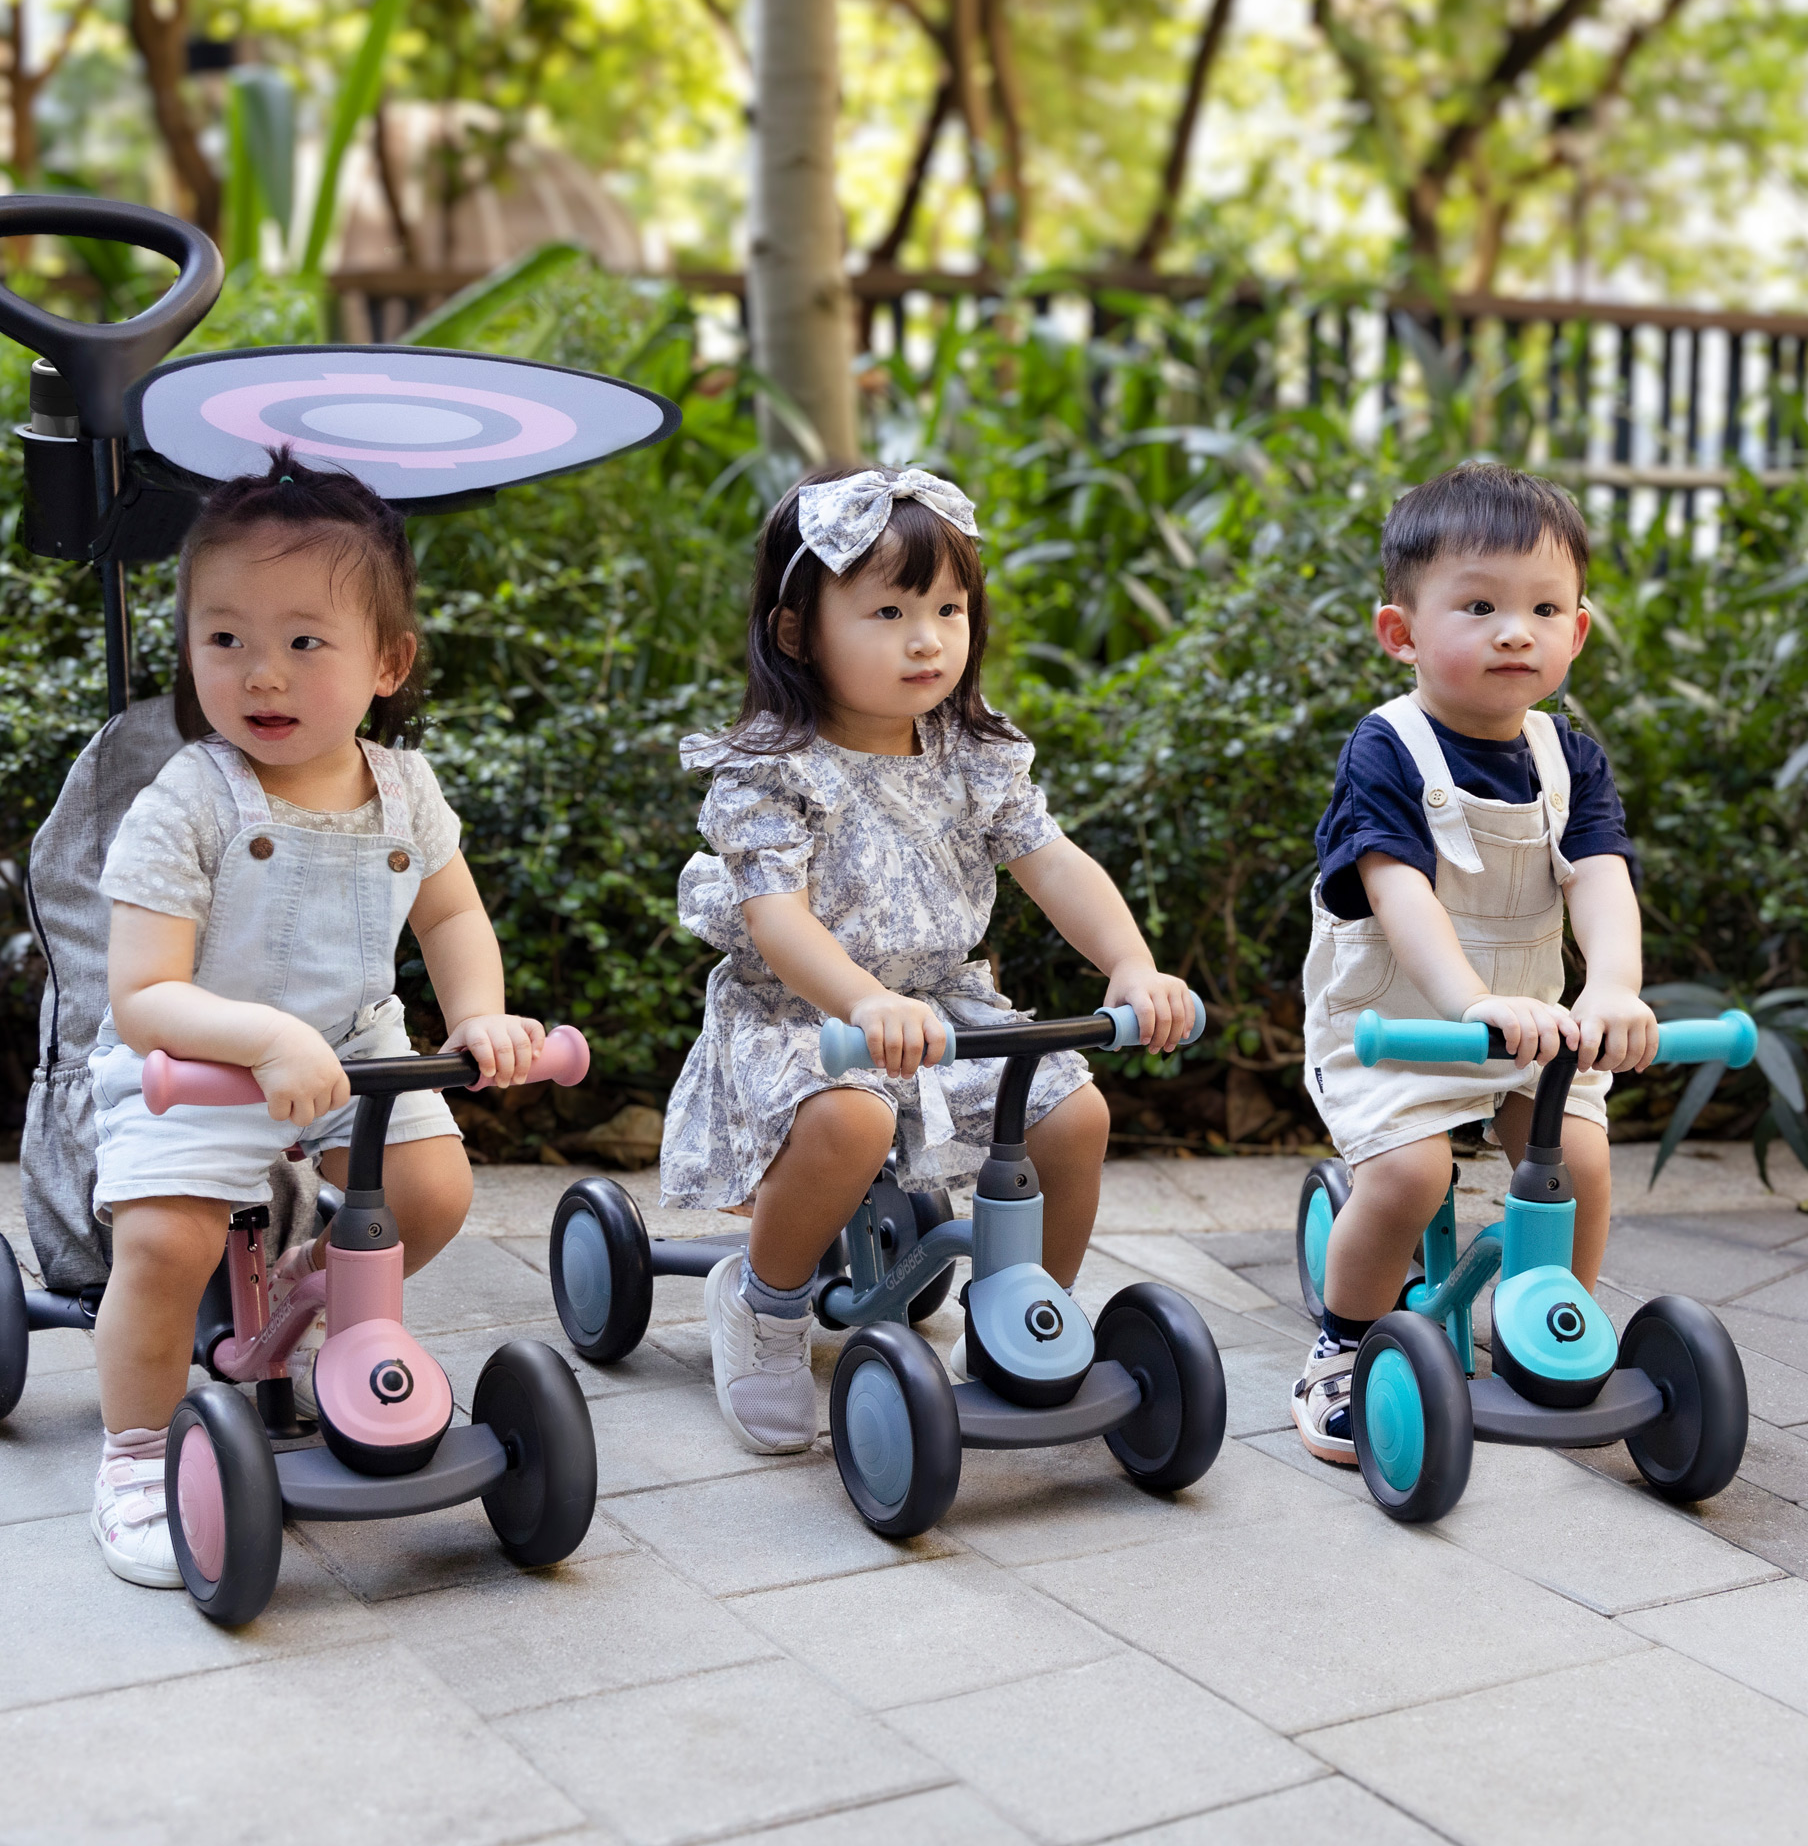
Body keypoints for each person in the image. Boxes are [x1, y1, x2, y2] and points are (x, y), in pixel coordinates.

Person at [660, 463, 1198, 1454]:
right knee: (850, 1118)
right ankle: (766, 1305)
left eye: (949, 609)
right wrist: (862, 1003)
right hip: (803, 1013)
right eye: (890, 611)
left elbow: (1053, 861)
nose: (927, 638)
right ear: (797, 633)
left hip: (941, 1003)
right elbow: (779, 921)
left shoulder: (970, 754)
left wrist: (1130, 963)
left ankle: (1026, 1309)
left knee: (1073, 1113)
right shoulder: (772, 772)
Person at [85, 452, 547, 1585]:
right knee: (166, 1242)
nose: (261, 674)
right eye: (225, 638)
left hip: (356, 1048)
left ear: (388, 662)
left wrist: (479, 1017)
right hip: (191, 1061)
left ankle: (307, 1305)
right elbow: (143, 997)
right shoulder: (190, 798)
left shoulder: (406, 791)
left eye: (304, 640)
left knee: (433, 1193)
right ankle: (139, 1450)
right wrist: (263, 1040)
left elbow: (450, 916)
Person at [1294, 462, 1657, 1464]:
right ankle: (1348, 1339)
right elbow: (1397, 891)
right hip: (1396, 1026)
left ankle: (1555, 1317)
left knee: (1575, 1158)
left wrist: (1614, 986)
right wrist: (1471, 1001)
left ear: (1577, 632)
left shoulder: (1569, 759)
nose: (1515, 630)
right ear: (1401, 633)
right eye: (1481, 605)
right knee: (1411, 1176)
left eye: (1545, 607)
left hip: (1530, 1024)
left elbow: (1598, 879)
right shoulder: (1388, 750)